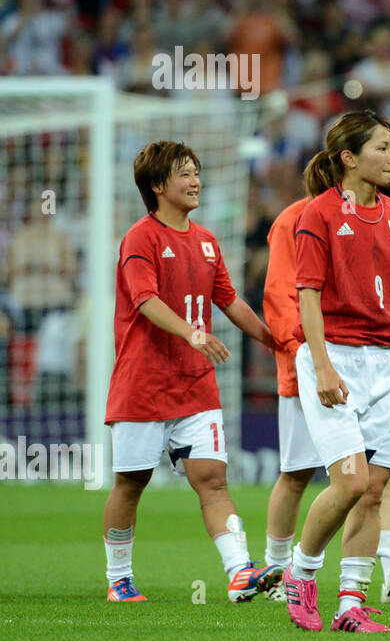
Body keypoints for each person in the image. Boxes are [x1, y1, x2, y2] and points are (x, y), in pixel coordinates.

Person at [282, 109, 390, 634]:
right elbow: (306, 295)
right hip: (335, 356)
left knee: (375, 487)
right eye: (382, 148)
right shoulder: (319, 214)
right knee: (349, 480)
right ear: (349, 158)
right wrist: (323, 364)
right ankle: (302, 572)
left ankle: (351, 602)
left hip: (386, 361)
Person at [102, 141, 278, 603]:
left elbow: (230, 301)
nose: (196, 179)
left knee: (212, 478)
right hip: (143, 383)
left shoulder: (206, 240)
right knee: (131, 482)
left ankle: (240, 571)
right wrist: (192, 333)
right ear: (158, 185)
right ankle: (118, 578)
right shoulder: (141, 237)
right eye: (184, 173)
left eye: (196, 171)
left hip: (196, 385)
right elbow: (144, 299)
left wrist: (273, 340)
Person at [261, 156, 390, 604]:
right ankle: (278, 568)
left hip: (371, 365)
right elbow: (282, 296)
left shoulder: (387, 216)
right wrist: (313, 360)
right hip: (311, 367)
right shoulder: (299, 220)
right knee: (297, 473)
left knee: (377, 480)